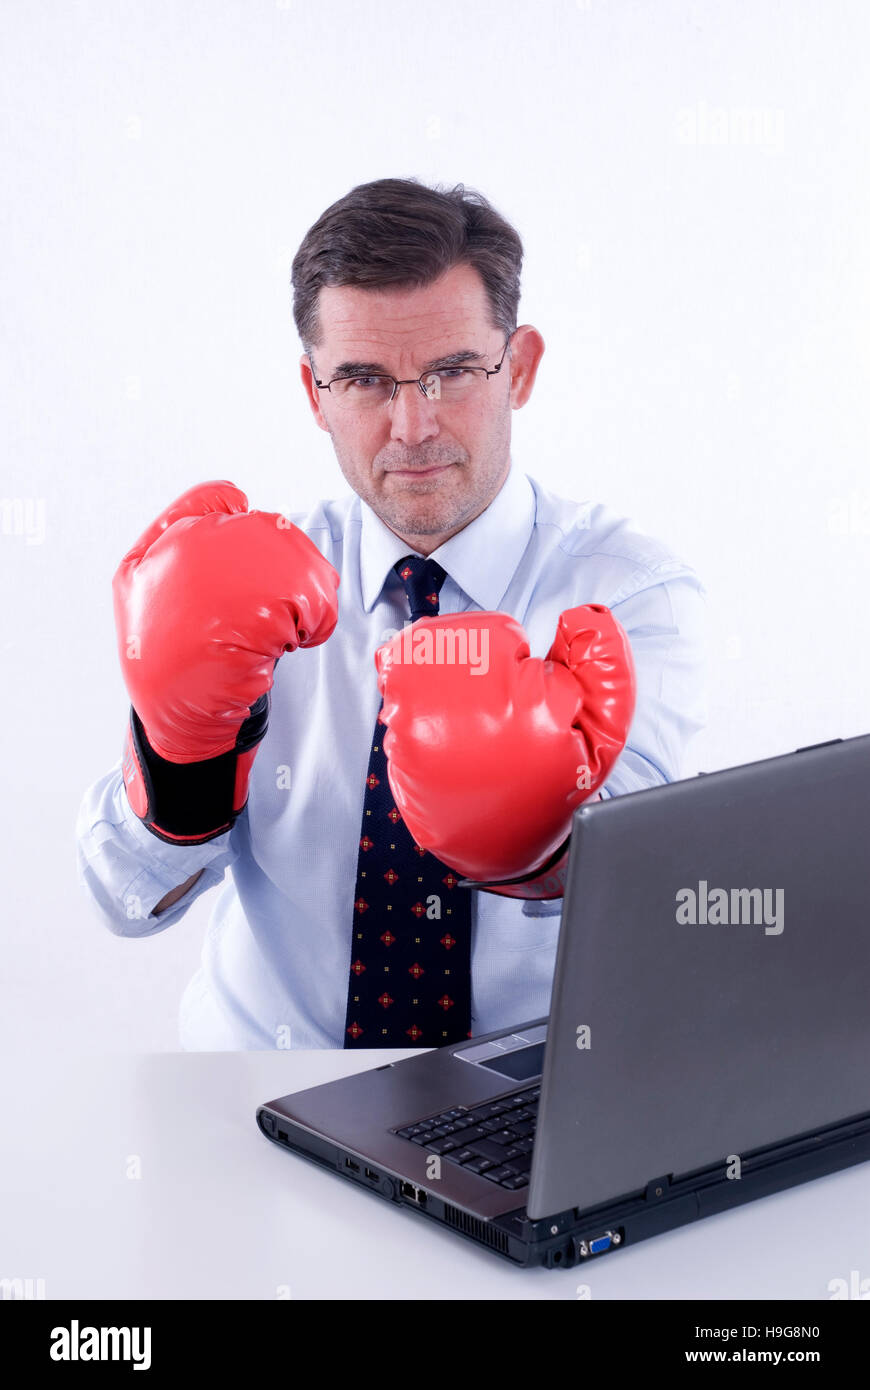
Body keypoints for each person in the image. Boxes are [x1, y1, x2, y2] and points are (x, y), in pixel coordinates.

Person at [76, 176, 707, 1051]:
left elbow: (657, 892)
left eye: (452, 372)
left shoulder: (629, 593)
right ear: (314, 394)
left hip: (518, 1107)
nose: (412, 426)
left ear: (519, 369)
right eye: (365, 379)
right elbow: (122, 900)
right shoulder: (253, 582)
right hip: (258, 1095)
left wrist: (538, 840)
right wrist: (182, 762)